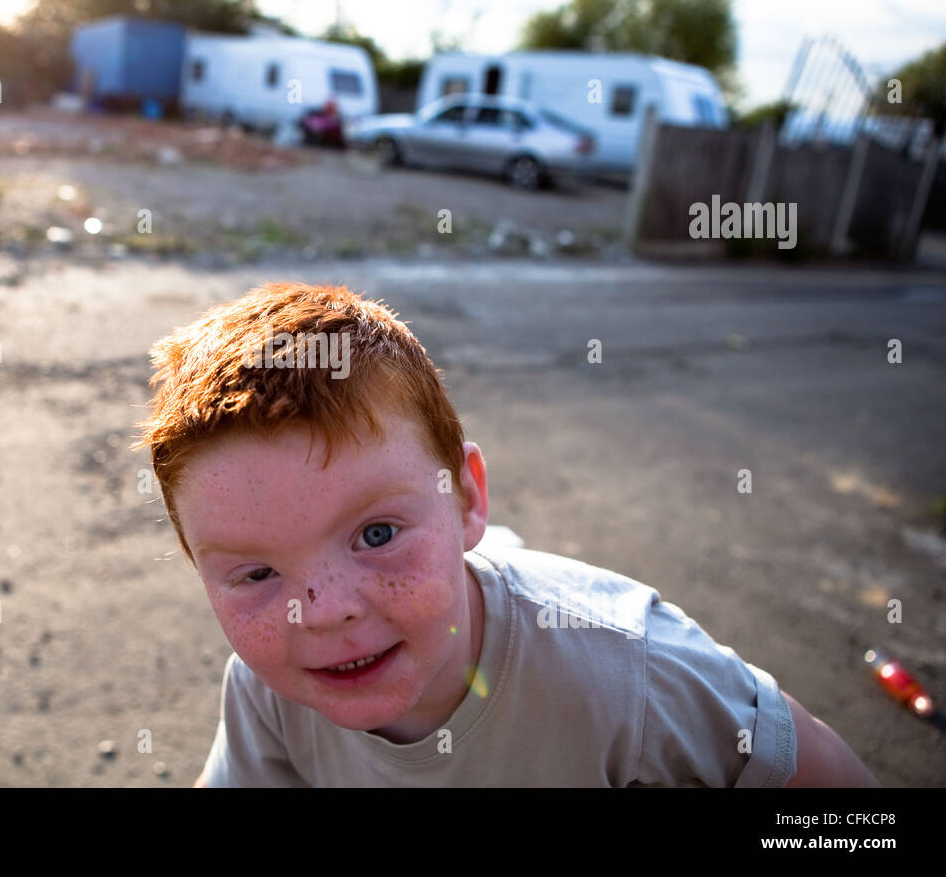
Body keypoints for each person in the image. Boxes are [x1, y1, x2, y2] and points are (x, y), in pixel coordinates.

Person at [131, 281, 880, 787]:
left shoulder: (632, 675)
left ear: (466, 497)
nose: (322, 611)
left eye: (377, 533)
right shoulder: (267, 690)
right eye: (257, 575)